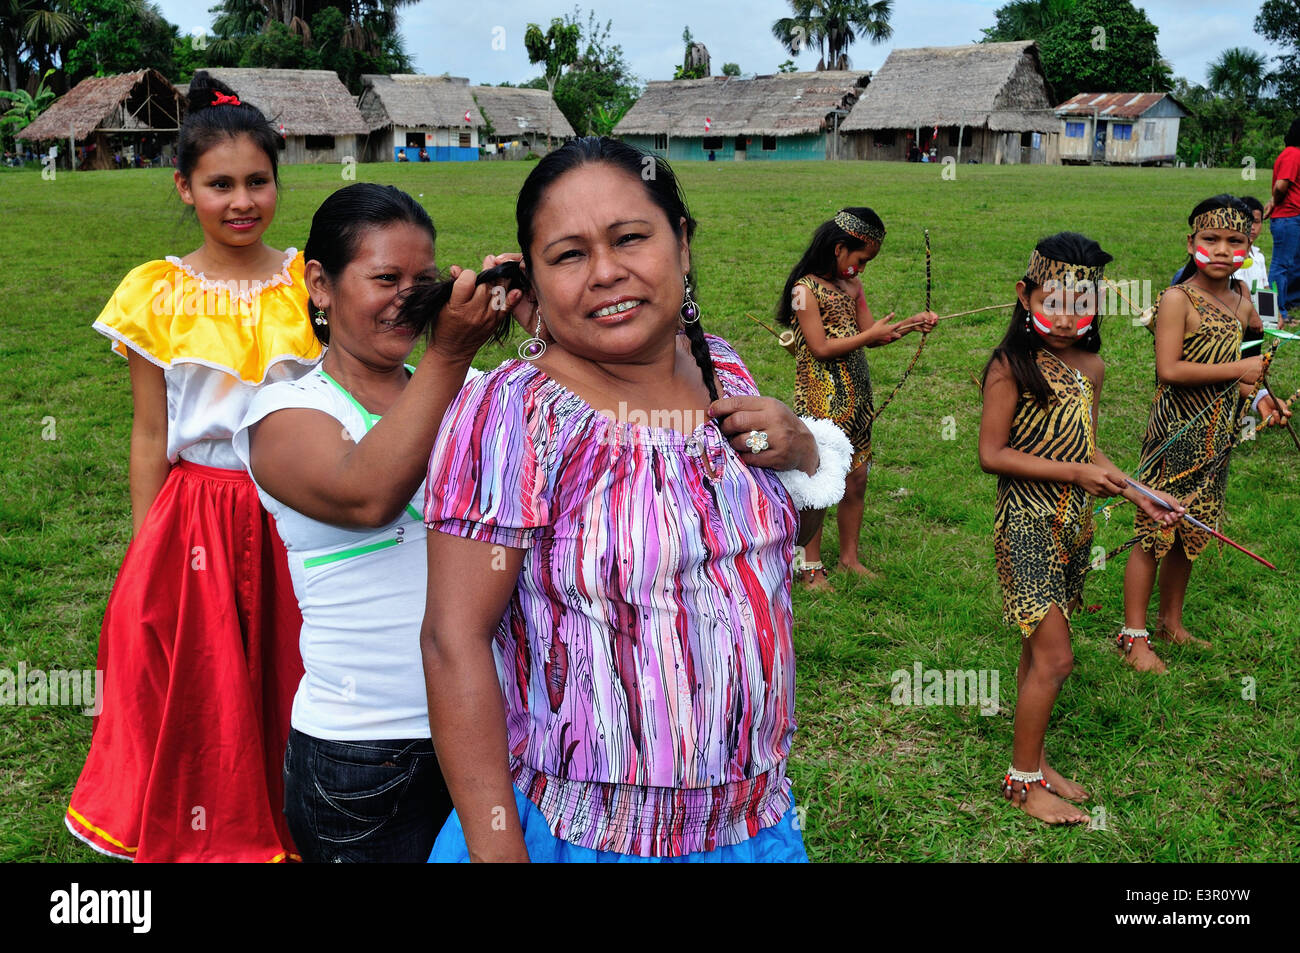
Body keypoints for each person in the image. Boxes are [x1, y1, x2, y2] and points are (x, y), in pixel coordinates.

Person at [419, 137, 852, 863]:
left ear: (681, 243)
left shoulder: (723, 370)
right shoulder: (514, 412)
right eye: (568, 255)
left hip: (750, 822)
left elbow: (779, 547)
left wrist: (805, 452)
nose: (607, 272)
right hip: (583, 834)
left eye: (630, 238)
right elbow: (452, 640)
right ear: (533, 275)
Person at [66, 72, 321, 862]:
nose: (241, 200)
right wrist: (150, 543)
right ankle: (200, 814)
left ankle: (292, 811)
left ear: (278, 182)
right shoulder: (157, 291)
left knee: (292, 661)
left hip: (297, 501)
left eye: (257, 181)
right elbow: (151, 432)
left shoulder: (309, 280)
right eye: (219, 184)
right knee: (198, 668)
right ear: (184, 187)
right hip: (196, 512)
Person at [233, 183, 513, 861]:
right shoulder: (283, 414)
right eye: (385, 278)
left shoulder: (469, 391)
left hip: (491, 731)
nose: (406, 299)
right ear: (320, 286)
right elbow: (368, 494)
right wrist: (449, 356)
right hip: (365, 756)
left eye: (423, 281)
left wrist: (547, 323)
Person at [978, 233, 1184, 824]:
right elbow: (992, 454)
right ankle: (1021, 785)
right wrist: (1070, 471)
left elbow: (1091, 452)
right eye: (1054, 301)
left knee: (1037, 651)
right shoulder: (1010, 366)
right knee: (1057, 659)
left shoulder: (1090, 367)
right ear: (1024, 295)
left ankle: (1035, 761)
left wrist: (1145, 494)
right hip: (1026, 526)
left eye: (1082, 303)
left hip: (1075, 529)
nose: (1068, 319)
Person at [1120, 196, 1291, 674]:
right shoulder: (1178, 300)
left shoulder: (1246, 301)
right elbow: (1170, 368)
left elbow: (1251, 375)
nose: (1221, 250)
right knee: (1154, 531)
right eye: (1209, 239)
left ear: (1249, 246)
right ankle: (1133, 637)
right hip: (1174, 436)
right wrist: (1242, 366)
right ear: (1191, 243)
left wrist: (1264, 401)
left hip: (1219, 440)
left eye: (1234, 241)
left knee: (1192, 529)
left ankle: (1171, 621)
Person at [775, 208, 937, 588]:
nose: (862, 269)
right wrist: (869, 336)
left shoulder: (852, 288)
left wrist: (911, 325)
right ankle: (809, 566)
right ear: (838, 249)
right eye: (861, 259)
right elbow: (820, 347)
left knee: (857, 476)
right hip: (822, 396)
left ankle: (849, 557)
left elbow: (871, 333)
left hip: (857, 396)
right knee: (819, 478)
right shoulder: (804, 290)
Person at [1266, 119, 1300, 325]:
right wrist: (1275, 202)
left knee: (1294, 264)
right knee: (1281, 265)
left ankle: (1290, 301)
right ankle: (1275, 312)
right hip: (1288, 217)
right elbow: (1281, 186)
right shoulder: (1292, 154)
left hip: (1292, 216)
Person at [1235, 195, 1273, 327]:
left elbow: (1266, 287)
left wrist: (1274, 315)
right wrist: (1252, 316)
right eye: (1247, 221)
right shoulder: (1232, 256)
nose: (1252, 227)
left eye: (1256, 221)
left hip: (1256, 320)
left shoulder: (1259, 257)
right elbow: (1238, 285)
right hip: (1237, 318)